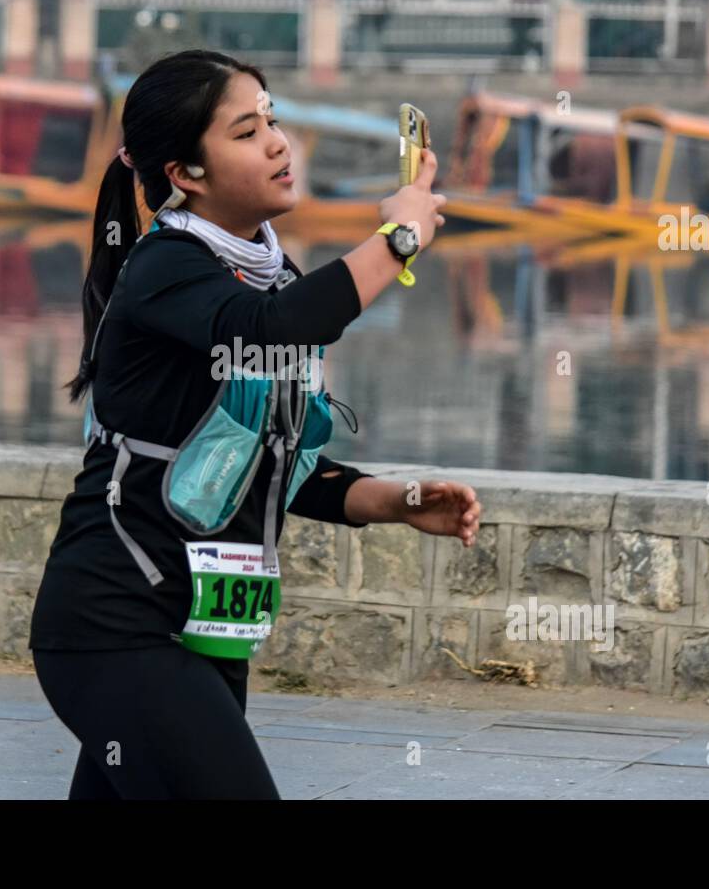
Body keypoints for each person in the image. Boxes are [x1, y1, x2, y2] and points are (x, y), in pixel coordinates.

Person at [29, 48, 482, 800]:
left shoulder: (271, 277)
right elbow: (273, 327)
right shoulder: (166, 268)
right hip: (117, 625)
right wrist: (398, 239)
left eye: (272, 120)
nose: (277, 142)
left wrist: (397, 501)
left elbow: (277, 461)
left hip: (208, 631)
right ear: (185, 172)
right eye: (246, 132)